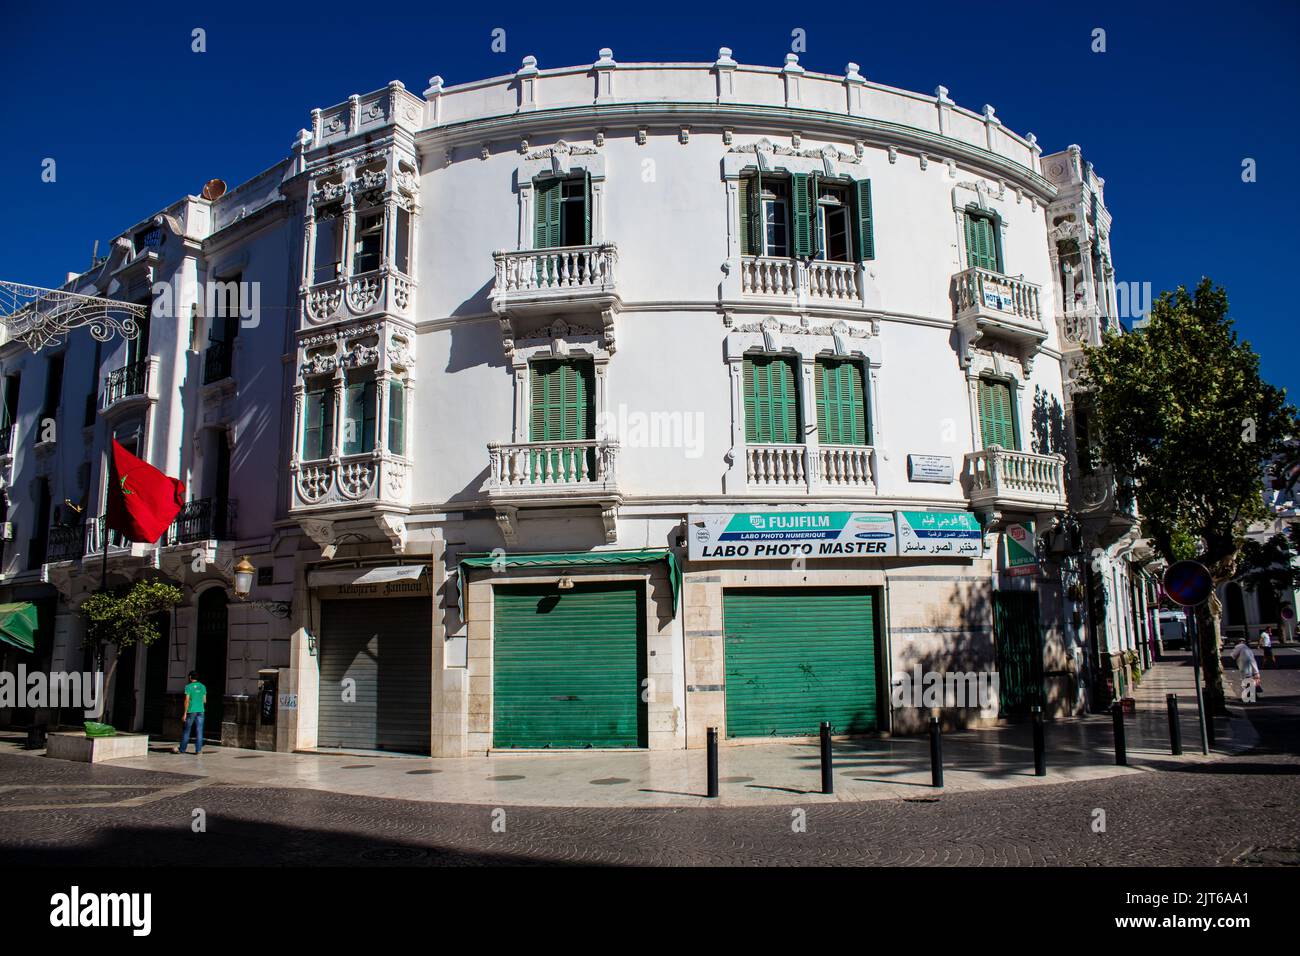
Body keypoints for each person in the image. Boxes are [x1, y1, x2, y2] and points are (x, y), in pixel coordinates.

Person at [178, 671, 207, 754]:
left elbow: (186, 700)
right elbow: (204, 701)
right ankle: (198, 750)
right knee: (199, 730)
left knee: (187, 730)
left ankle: (182, 749)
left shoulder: (188, 687)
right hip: (201, 710)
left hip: (191, 711)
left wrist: (184, 713)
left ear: (190, 677)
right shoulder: (203, 686)